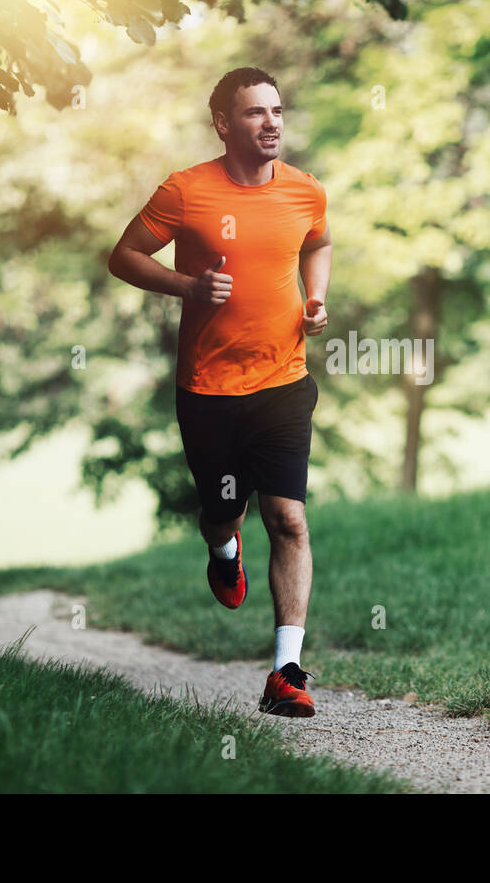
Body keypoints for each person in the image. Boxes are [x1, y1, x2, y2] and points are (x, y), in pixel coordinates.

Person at [107, 67, 331, 717]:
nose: (272, 123)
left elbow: (320, 243)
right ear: (224, 124)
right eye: (256, 113)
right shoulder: (186, 192)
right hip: (208, 390)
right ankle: (222, 550)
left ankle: (285, 671)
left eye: (278, 111)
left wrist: (316, 301)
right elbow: (124, 256)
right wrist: (189, 287)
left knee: (288, 518)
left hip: (284, 382)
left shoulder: (304, 190)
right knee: (223, 514)